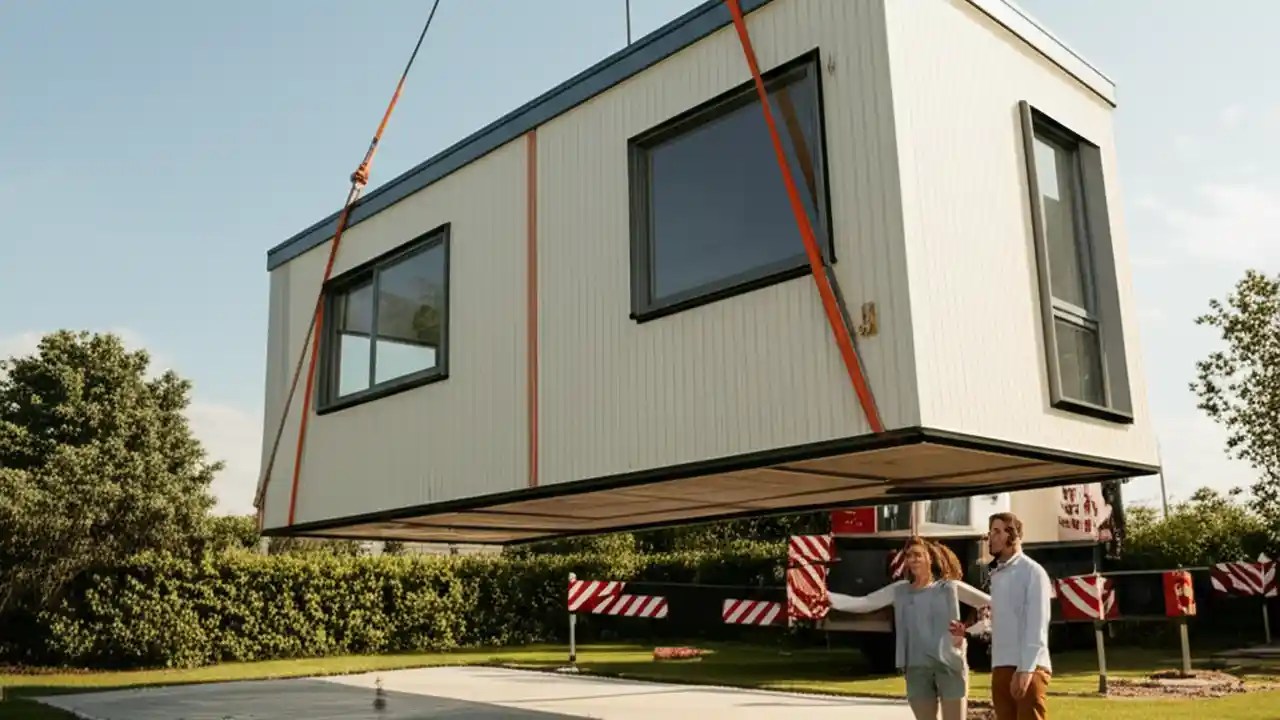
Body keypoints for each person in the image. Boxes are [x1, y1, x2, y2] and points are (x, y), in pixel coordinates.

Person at [828, 536, 990, 720]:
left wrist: (969, 631)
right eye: (909, 555)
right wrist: (826, 597)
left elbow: (991, 605)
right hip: (916, 668)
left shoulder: (949, 587)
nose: (913, 559)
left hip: (950, 666)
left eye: (918, 555)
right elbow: (865, 603)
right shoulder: (900, 590)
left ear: (929, 558)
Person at [952, 512, 1053, 720]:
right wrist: (968, 631)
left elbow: (1037, 624)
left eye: (997, 532)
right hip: (1000, 665)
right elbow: (996, 621)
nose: (991, 537)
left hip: (1029, 667)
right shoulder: (996, 575)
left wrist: (1026, 669)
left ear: (1013, 535)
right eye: (991, 532)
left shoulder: (1033, 572)